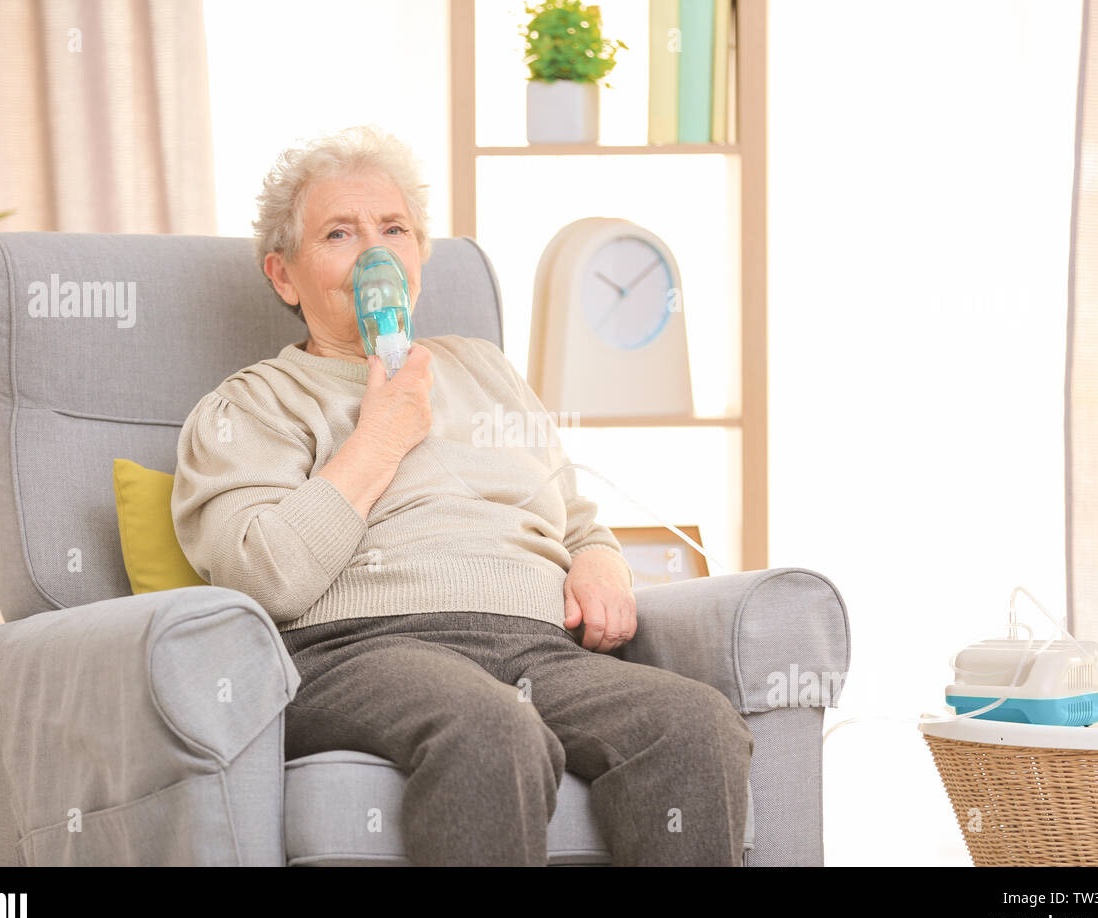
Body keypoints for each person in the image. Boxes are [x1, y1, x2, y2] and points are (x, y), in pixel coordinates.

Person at [171, 124, 753, 866]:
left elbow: (572, 516)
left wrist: (601, 562)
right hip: (358, 650)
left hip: (536, 644)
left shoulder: (485, 371)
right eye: (340, 233)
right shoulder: (250, 404)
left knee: (693, 723)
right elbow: (260, 576)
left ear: (418, 260)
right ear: (285, 276)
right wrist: (377, 439)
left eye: (394, 229)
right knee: (493, 728)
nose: (375, 253)